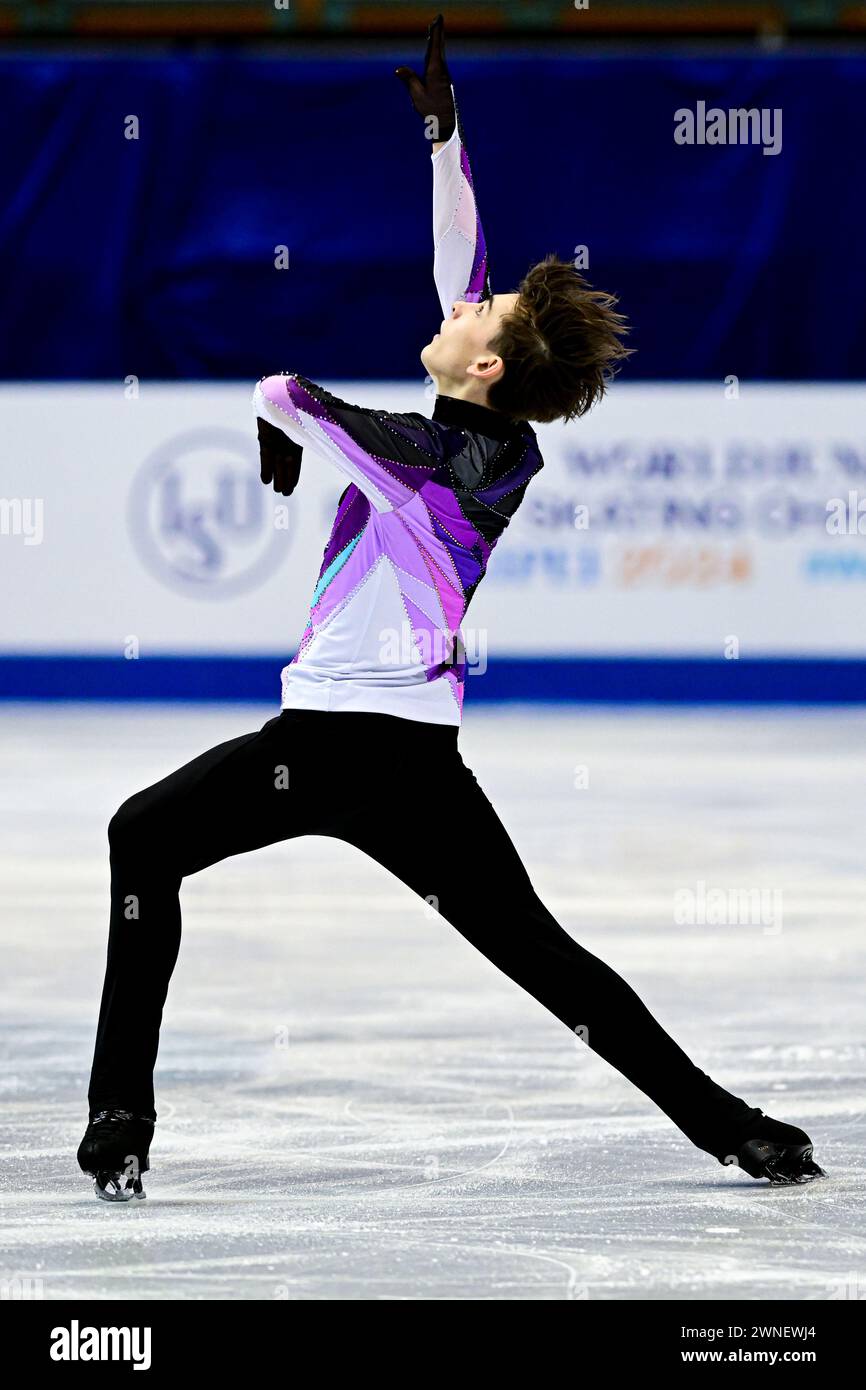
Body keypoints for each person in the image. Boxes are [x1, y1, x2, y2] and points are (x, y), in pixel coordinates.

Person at [78, 15, 824, 1200]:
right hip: (384, 757)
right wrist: (442, 136)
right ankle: (733, 1128)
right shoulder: (489, 435)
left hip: (346, 752)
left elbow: (291, 390)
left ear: (483, 368)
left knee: (523, 953)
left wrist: (276, 421)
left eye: (471, 320)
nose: (453, 308)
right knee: (527, 952)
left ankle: (728, 1123)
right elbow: (460, 272)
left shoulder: (441, 467)